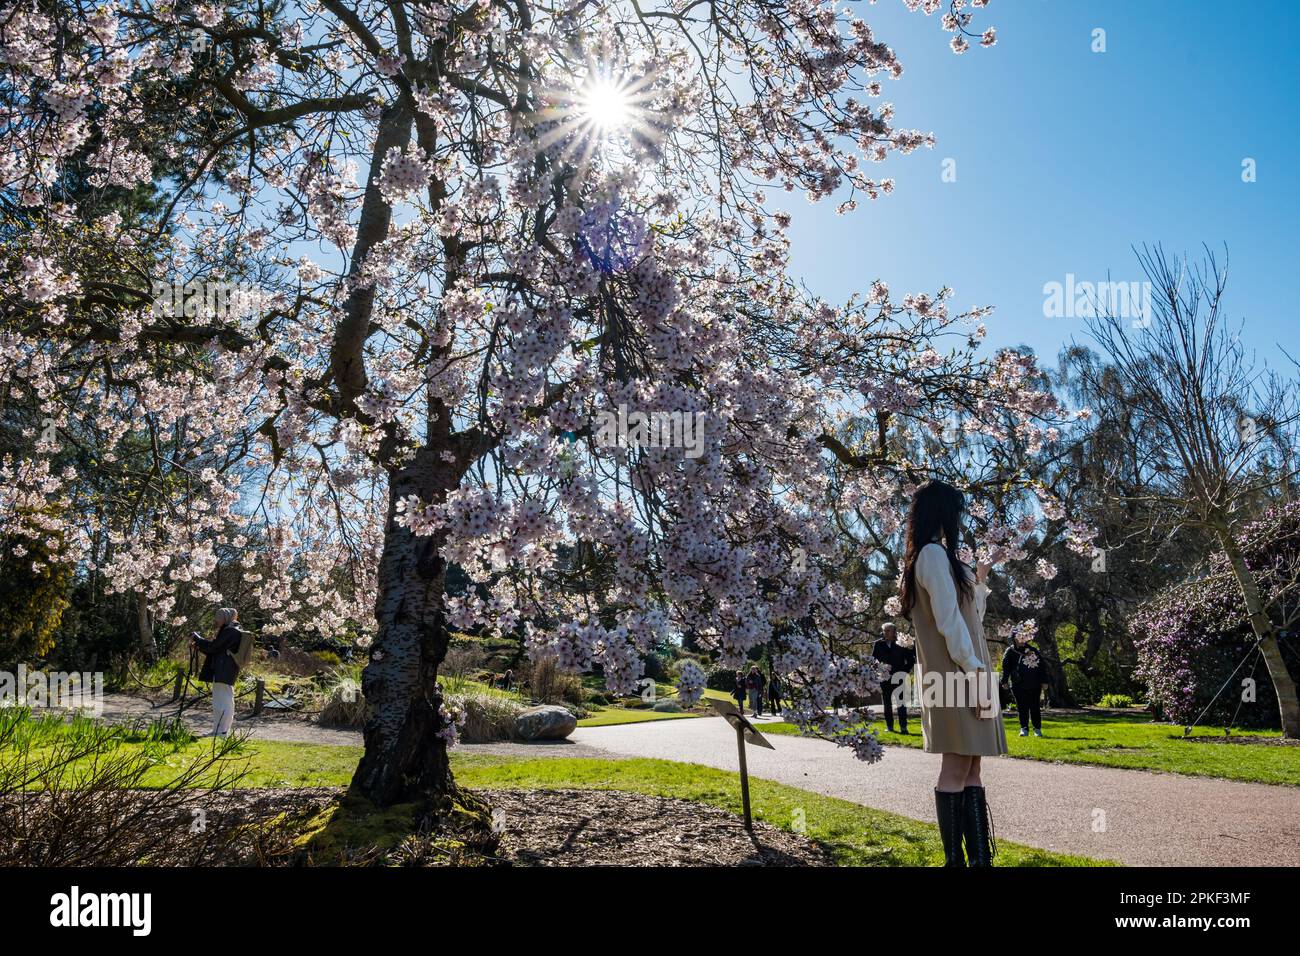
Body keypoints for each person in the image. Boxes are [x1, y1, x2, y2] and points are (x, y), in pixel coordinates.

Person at [899, 480, 1007, 867]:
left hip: (965, 668)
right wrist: (975, 670)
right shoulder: (929, 555)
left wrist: (979, 579)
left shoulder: (940, 558)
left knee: (973, 763)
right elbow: (947, 621)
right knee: (957, 765)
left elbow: (971, 619)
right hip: (956, 673)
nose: (957, 519)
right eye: (954, 511)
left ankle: (979, 859)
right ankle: (955, 862)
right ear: (941, 512)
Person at [191, 607, 245, 737]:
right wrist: (199, 645)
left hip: (224, 670)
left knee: (222, 702)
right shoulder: (231, 630)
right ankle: (219, 730)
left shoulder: (230, 631)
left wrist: (198, 639)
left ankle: (221, 731)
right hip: (224, 670)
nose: (216, 620)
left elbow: (214, 647)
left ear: (225, 618)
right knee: (222, 701)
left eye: (219, 617)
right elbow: (216, 650)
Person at [873, 623, 916, 734]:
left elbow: (911, 659)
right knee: (887, 704)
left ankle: (903, 728)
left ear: (894, 632)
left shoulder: (901, 643)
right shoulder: (878, 644)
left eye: (888, 630)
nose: (885, 633)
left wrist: (905, 670)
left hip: (899, 677)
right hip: (884, 678)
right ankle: (890, 727)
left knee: (901, 704)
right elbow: (873, 660)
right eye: (884, 630)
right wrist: (878, 672)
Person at [1001, 636, 1046, 737]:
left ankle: (1037, 729)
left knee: (1035, 707)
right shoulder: (1010, 651)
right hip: (1018, 684)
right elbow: (1006, 667)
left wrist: (1044, 681)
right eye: (1019, 638)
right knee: (1022, 707)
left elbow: (1041, 667)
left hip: (1034, 683)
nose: (1022, 640)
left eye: (1024, 638)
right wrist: (1004, 680)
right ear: (1015, 639)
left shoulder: (1033, 650)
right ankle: (1024, 728)